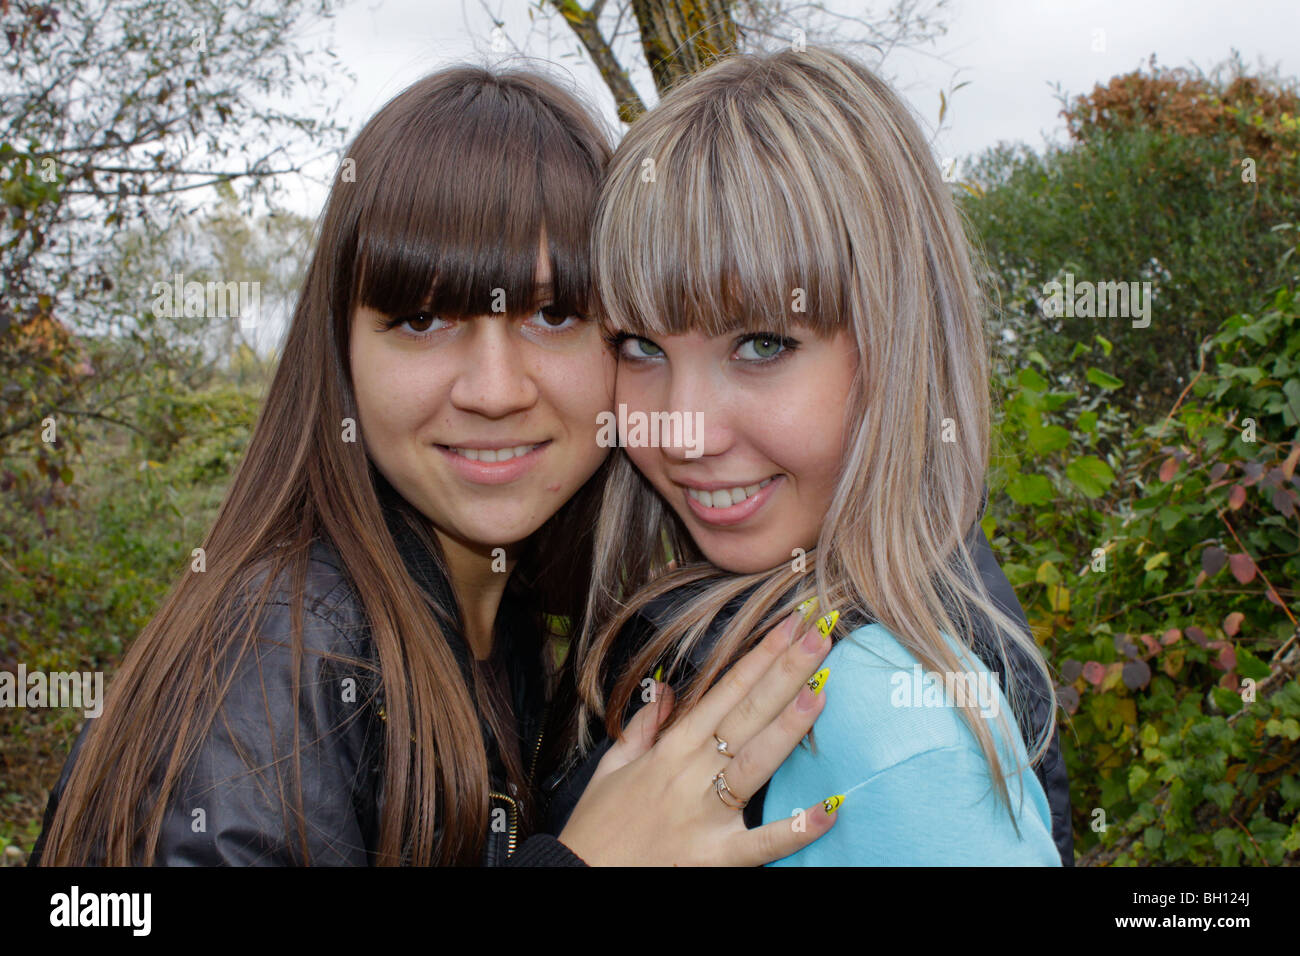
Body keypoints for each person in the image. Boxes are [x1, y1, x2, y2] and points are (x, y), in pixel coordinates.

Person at [29, 63, 837, 867]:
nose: (494, 391)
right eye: (422, 320)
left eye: (555, 314)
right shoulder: (281, 658)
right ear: (341, 353)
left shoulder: (507, 631)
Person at [548, 46, 1072, 865]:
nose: (683, 432)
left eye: (762, 344)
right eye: (641, 345)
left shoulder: (886, 727)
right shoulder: (779, 627)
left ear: (899, 348)